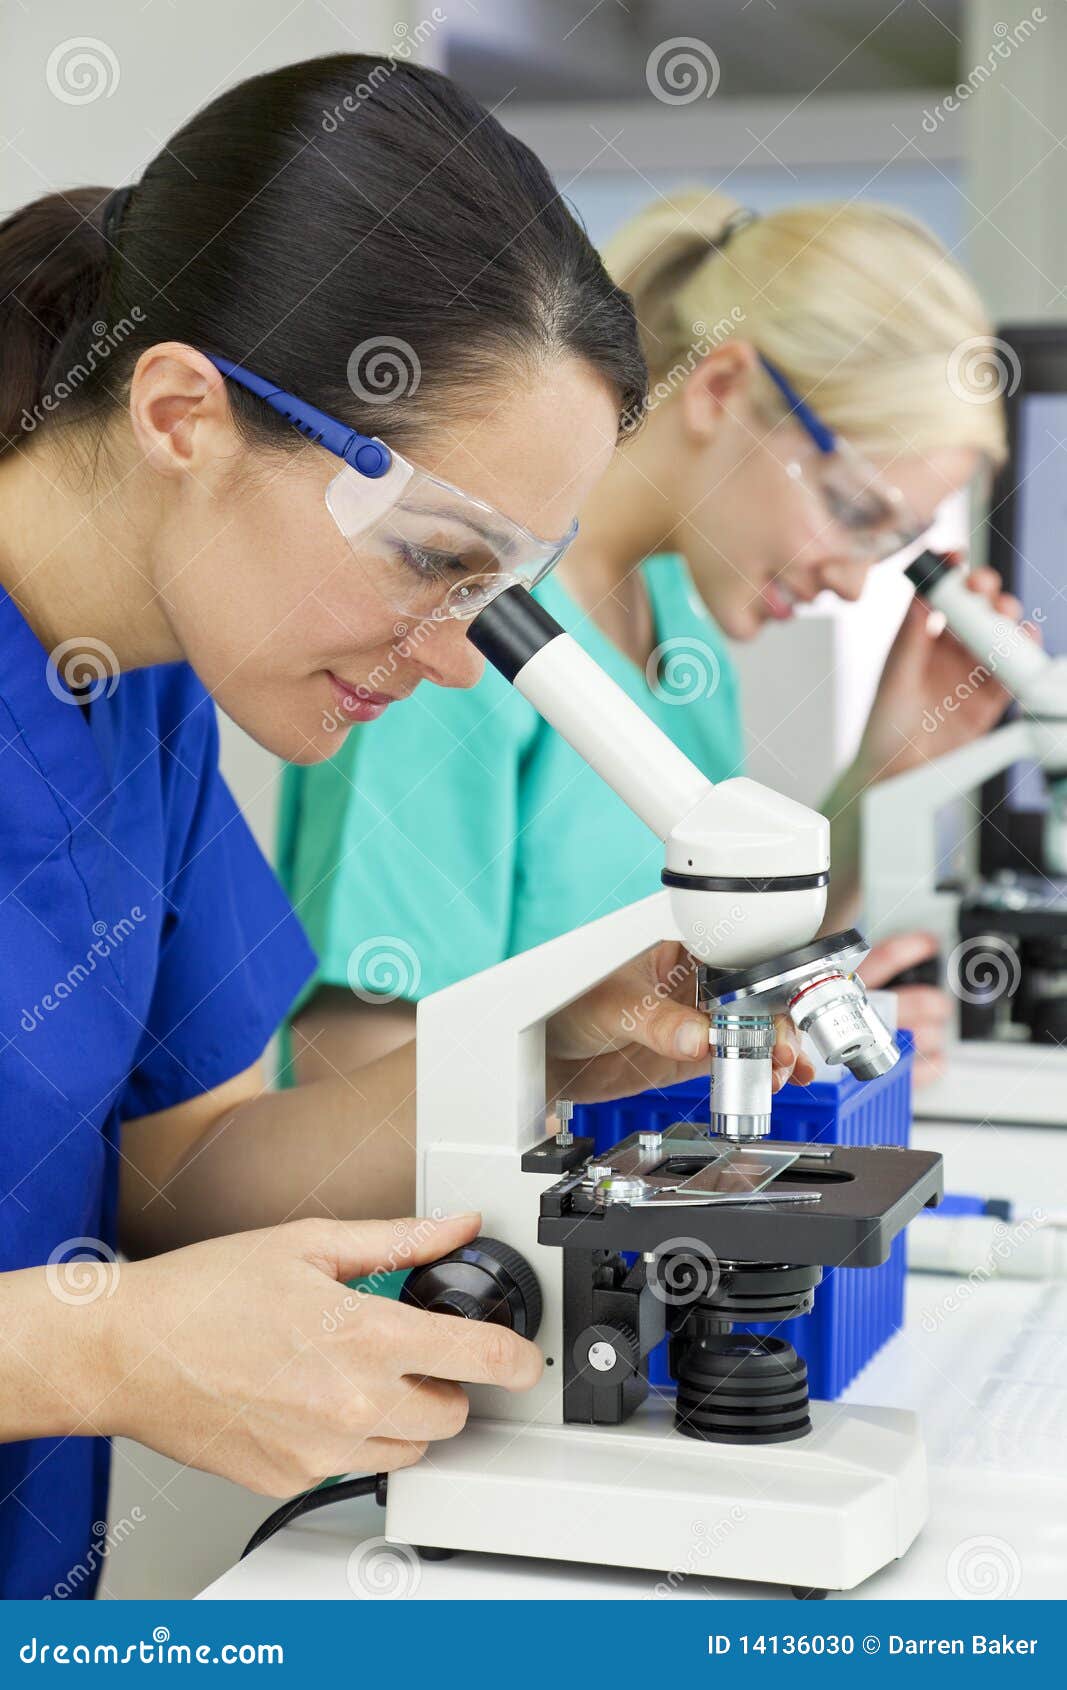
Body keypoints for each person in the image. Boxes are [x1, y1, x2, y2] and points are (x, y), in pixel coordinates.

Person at [0, 62, 817, 1602]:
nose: (456, 659)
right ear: (183, 412)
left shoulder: (152, 691)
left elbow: (184, 1177)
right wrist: (88, 1345)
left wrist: (540, 1045)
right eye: (434, 560)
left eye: (498, 591)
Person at [281, 190, 1021, 1090]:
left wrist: (890, 763)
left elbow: (715, 954)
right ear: (718, 390)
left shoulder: (684, 653)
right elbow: (349, 1072)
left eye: (887, 541)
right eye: (853, 512)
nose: (853, 581)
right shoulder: (462, 638)